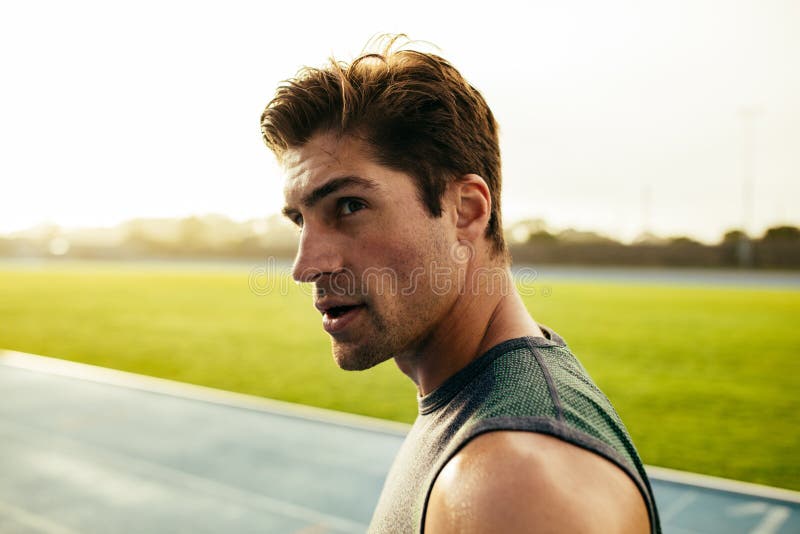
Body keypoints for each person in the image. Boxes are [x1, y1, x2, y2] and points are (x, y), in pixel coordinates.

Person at [260, 35, 661, 534]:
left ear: (465, 211)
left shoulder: (515, 482)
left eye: (349, 206)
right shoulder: (473, 410)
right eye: (300, 220)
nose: (304, 266)